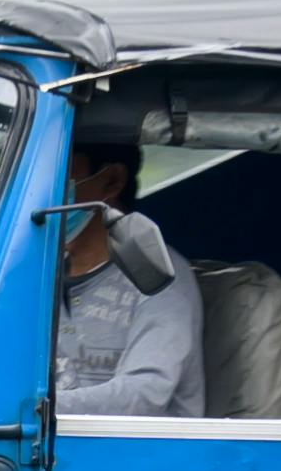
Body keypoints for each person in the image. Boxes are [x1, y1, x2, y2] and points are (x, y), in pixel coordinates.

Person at [56, 142, 206, 416]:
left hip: (141, 456)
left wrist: (37, 411)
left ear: (112, 181)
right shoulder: (39, 280)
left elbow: (145, 393)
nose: (45, 193)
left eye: (59, 176)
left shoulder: (158, 273)